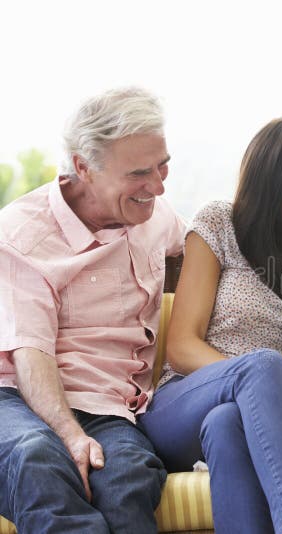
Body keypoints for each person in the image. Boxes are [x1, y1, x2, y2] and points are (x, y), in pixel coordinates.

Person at [138, 117, 282, 534]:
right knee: (264, 366)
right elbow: (181, 346)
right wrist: (260, 382)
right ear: (273, 196)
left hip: (263, 420)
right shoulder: (220, 224)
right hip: (183, 402)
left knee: (227, 423)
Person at [0, 87, 185, 533]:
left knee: (127, 479)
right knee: (37, 458)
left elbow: (206, 258)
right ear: (84, 166)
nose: (158, 187)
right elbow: (32, 355)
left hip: (111, 406)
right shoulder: (22, 235)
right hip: (18, 396)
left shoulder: (156, 215)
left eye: (163, 166)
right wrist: (69, 435)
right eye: (140, 173)